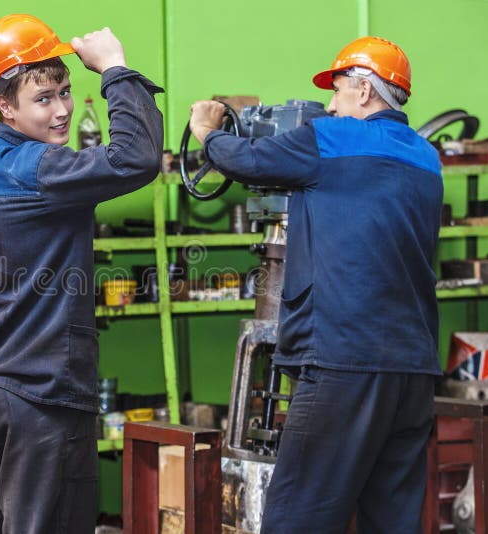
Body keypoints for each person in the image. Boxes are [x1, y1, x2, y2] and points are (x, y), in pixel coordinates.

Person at [189, 36, 442, 533]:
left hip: (343, 360)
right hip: (412, 367)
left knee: (298, 518)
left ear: (365, 92)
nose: (329, 104)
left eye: (338, 91)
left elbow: (248, 161)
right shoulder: (427, 158)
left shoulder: (329, 139)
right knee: (391, 519)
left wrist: (206, 132)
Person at [0, 14, 163, 533]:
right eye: (43, 99)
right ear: (5, 105)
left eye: (65, 91)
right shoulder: (40, 168)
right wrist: (116, 70)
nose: (62, 110)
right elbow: (138, 158)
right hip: (40, 399)